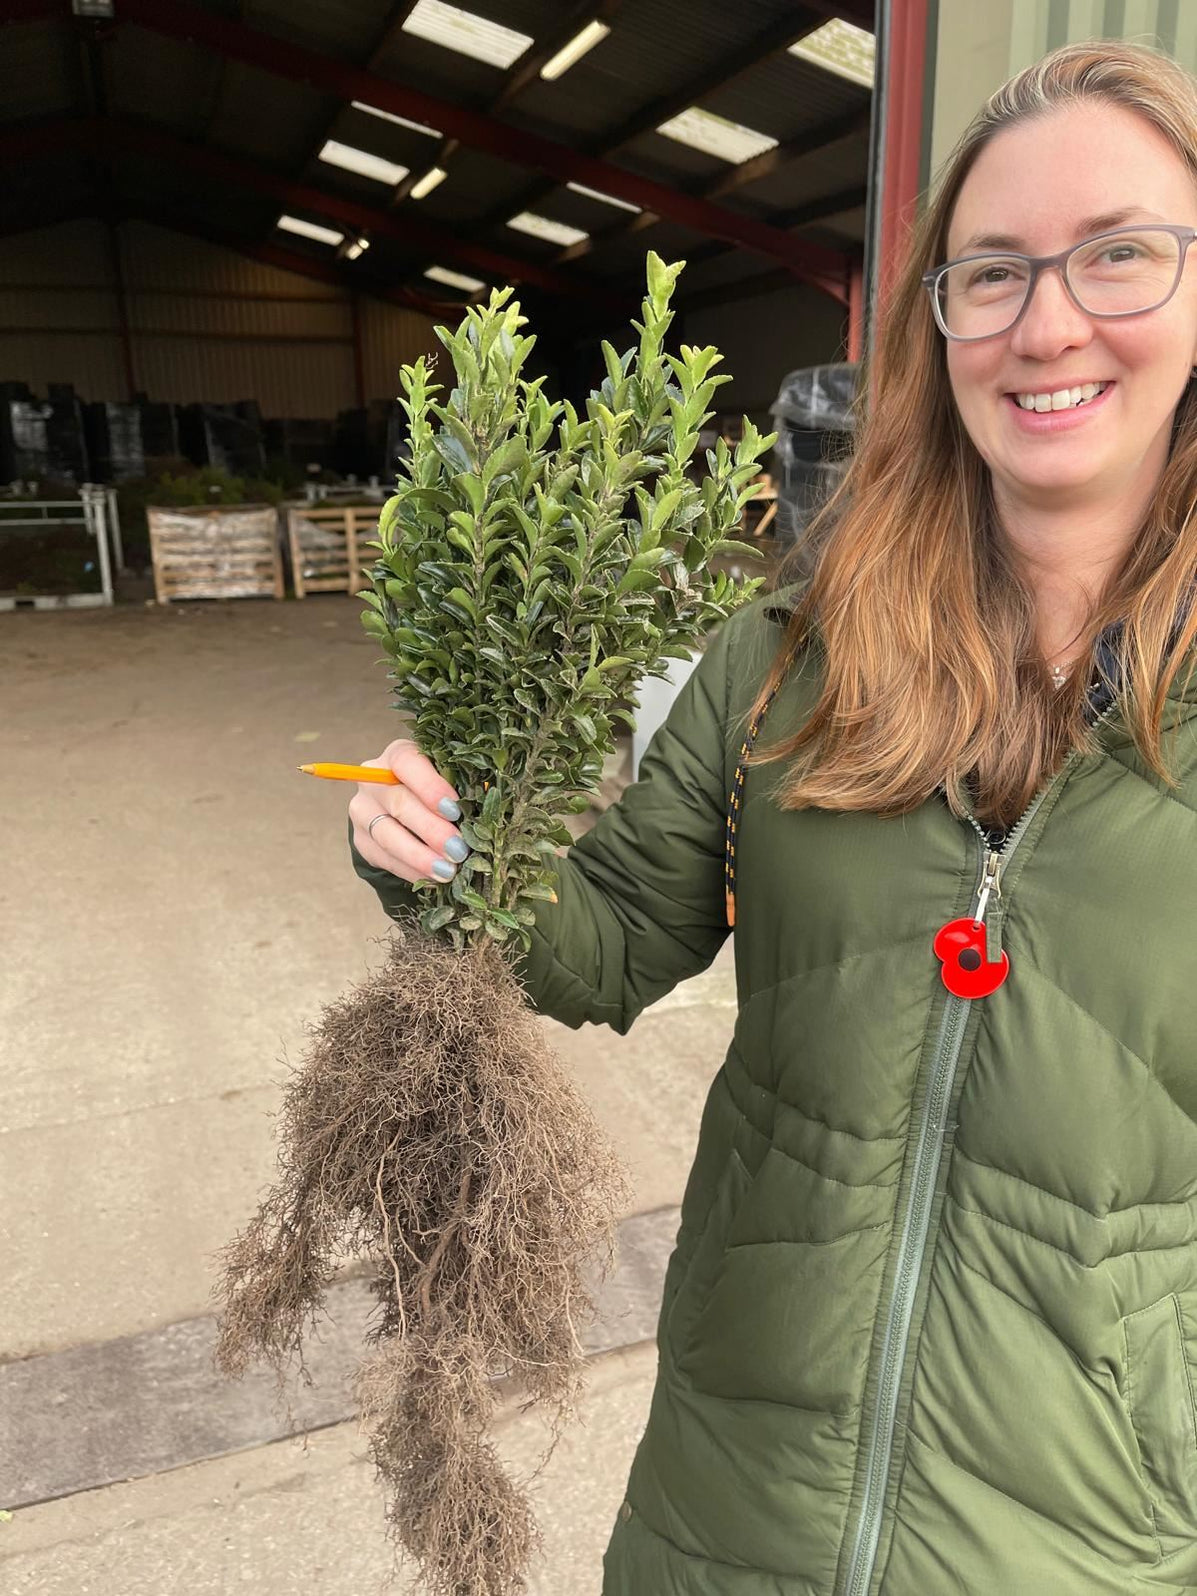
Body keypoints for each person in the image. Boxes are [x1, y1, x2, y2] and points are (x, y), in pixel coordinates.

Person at [347, 40, 1197, 1595]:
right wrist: (452, 860)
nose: (1046, 321)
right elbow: (595, 949)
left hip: (1094, 1537)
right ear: (933, 325)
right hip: (732, 1512)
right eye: (988, 273)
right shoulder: (786, 661)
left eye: (1120, 255)